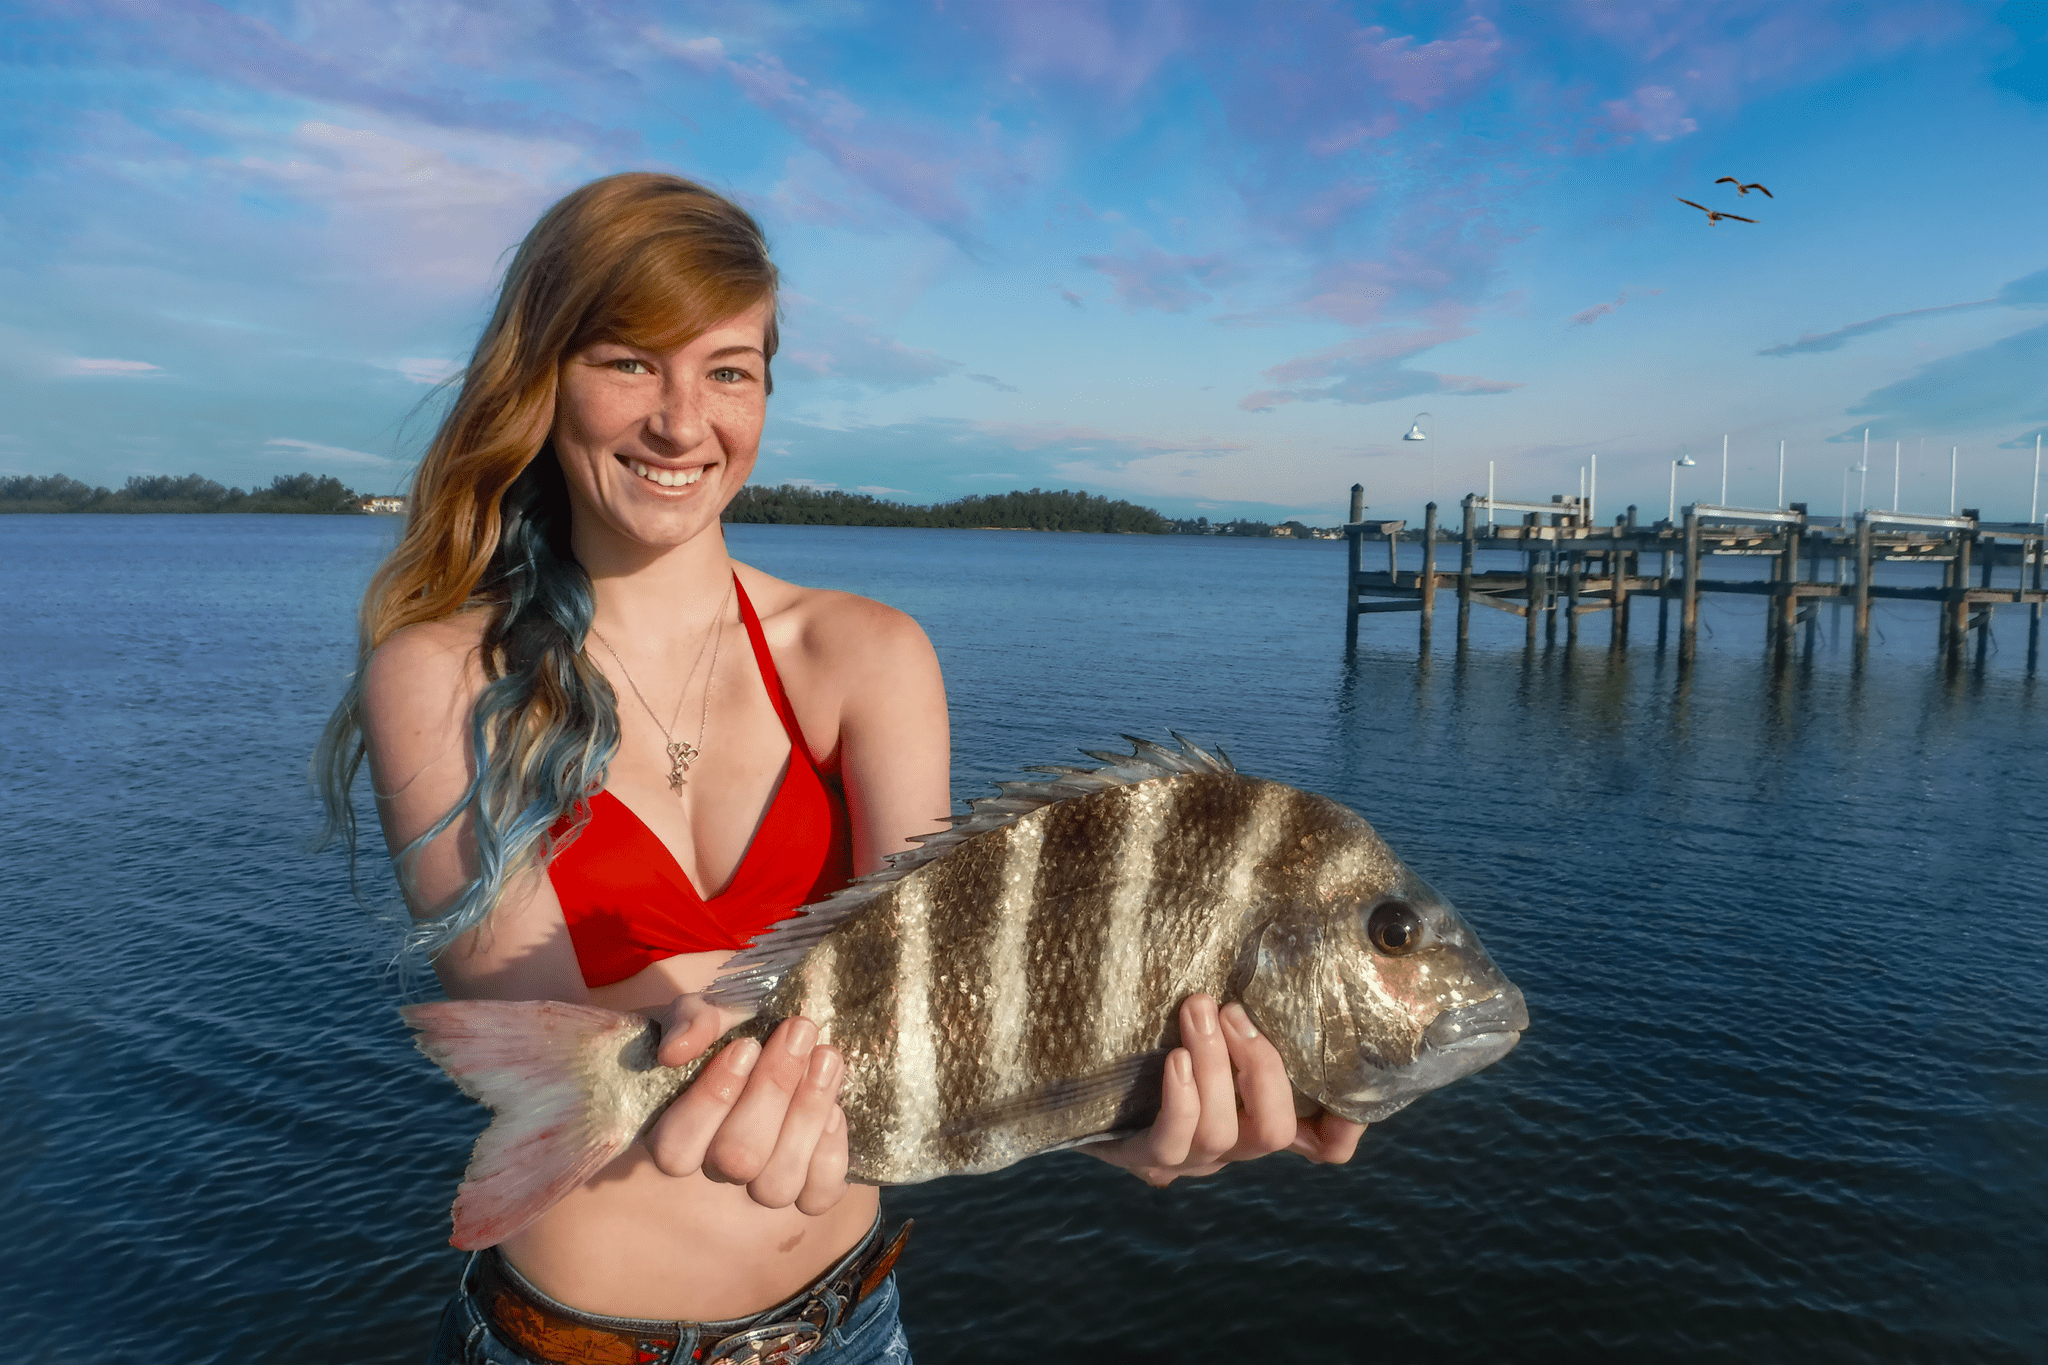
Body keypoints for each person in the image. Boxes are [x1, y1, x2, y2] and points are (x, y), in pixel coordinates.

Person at [320, 172, 1365, 1365]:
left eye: (727, 370)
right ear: (542, 378)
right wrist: (724, 1015)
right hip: (570, 1343)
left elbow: (957, 1012)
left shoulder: (868, 656)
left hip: (852, 1327)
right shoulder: (442, 675)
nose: (680, 421)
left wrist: (1120, 1109)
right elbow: (534, 1037)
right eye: (626, 361)